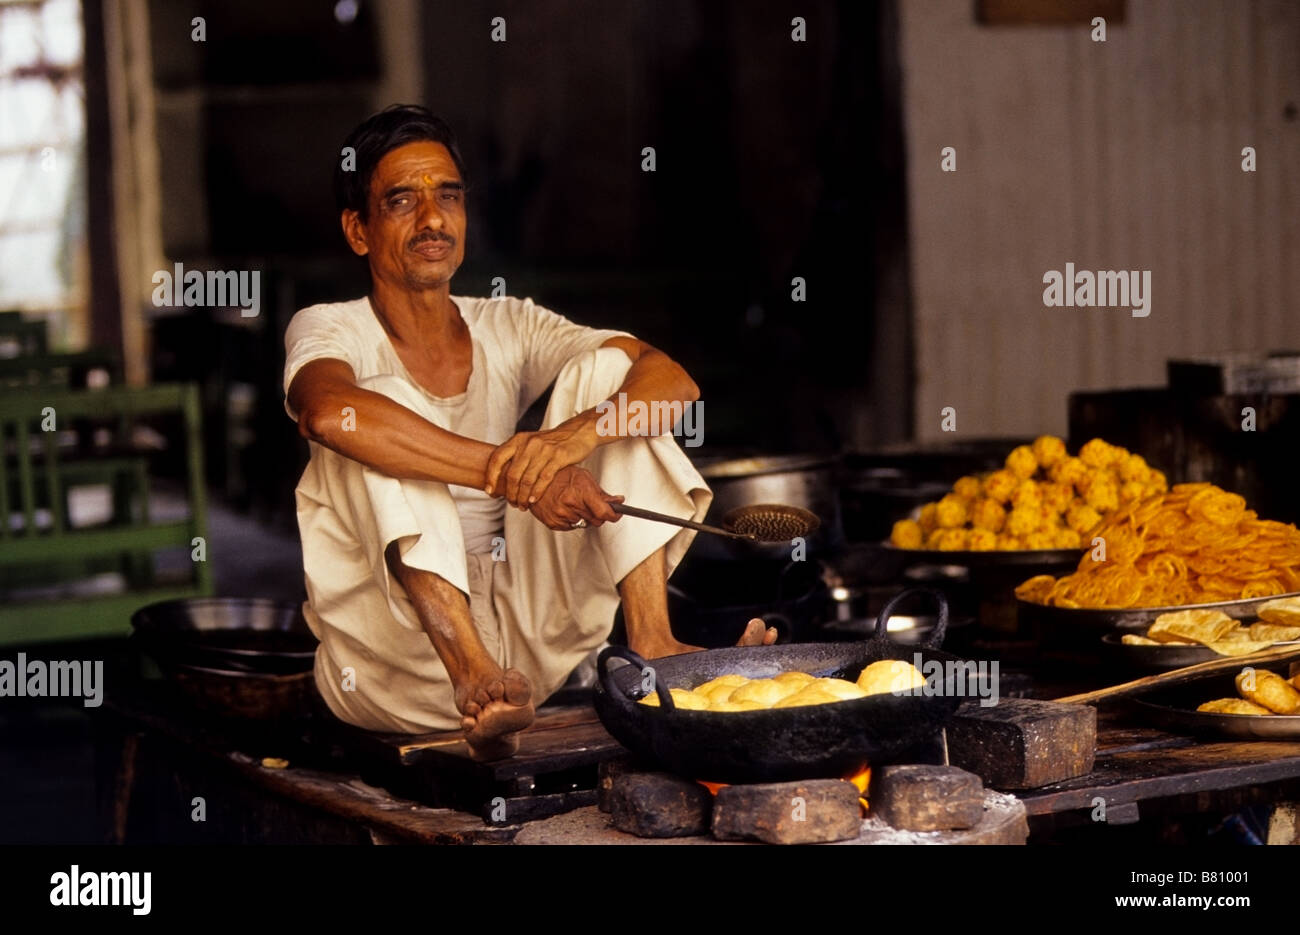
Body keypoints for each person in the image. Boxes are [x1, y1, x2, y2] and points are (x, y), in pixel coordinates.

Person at [283, 105, 776, 758]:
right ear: (358, 230)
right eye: (403, 201)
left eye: (448, 198)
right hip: (396, 668)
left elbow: (672, 381)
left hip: (531, 657)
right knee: (368, 417)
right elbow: (324, 411)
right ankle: (475, 681)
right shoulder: (327, 327)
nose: (433, 219)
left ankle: (655, 642)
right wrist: (514, 473)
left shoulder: (507, 322)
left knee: (612, 376)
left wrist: (569, 441)